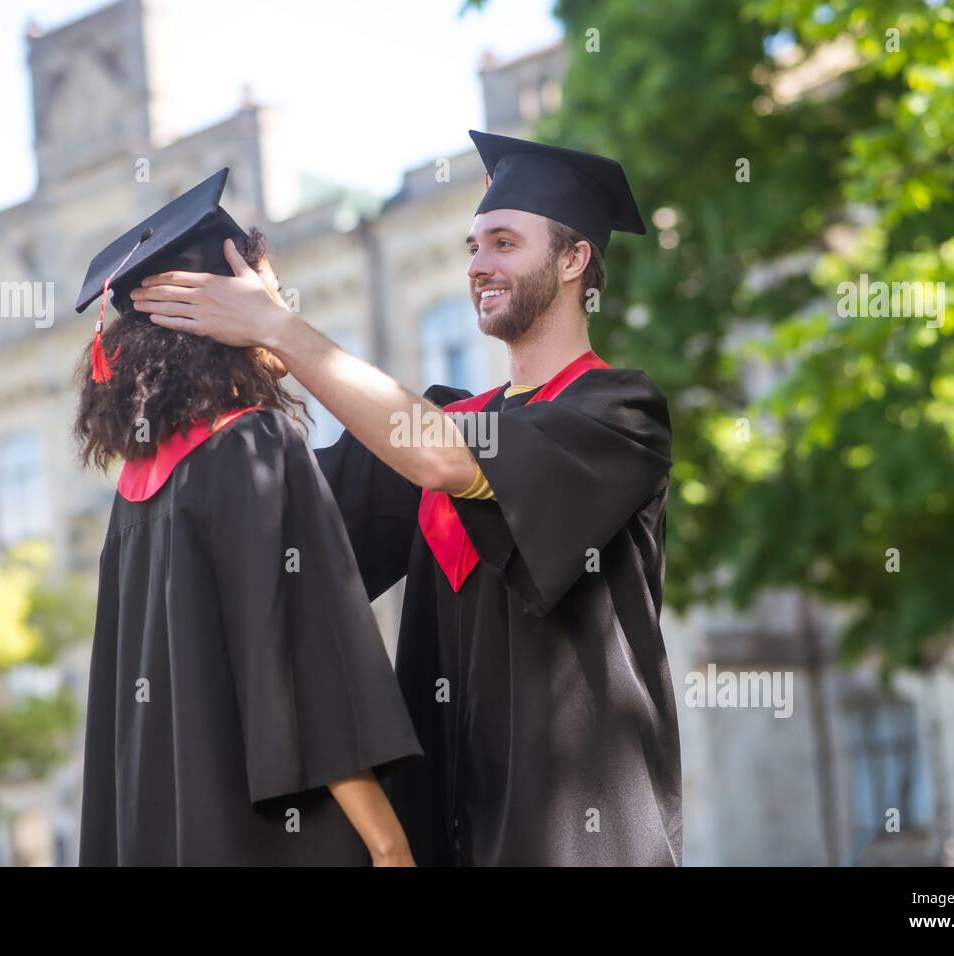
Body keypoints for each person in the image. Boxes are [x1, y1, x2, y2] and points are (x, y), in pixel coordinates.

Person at [134, 134, 681, 867]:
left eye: (504, 243)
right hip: (439, 833)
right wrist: (204, 360)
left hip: (582, 839)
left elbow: (443, 459)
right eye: (472, 246)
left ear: (574, 259)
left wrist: (277, 325)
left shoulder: (618, 415)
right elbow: (277, 526)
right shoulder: (450, 416)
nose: (479, 265)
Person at [74, 169, 421, 866]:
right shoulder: (255, 443)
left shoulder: (136, 494)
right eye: (269, 291)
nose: (279, 307)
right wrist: (387, 843)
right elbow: (308, 656)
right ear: (227, 305)